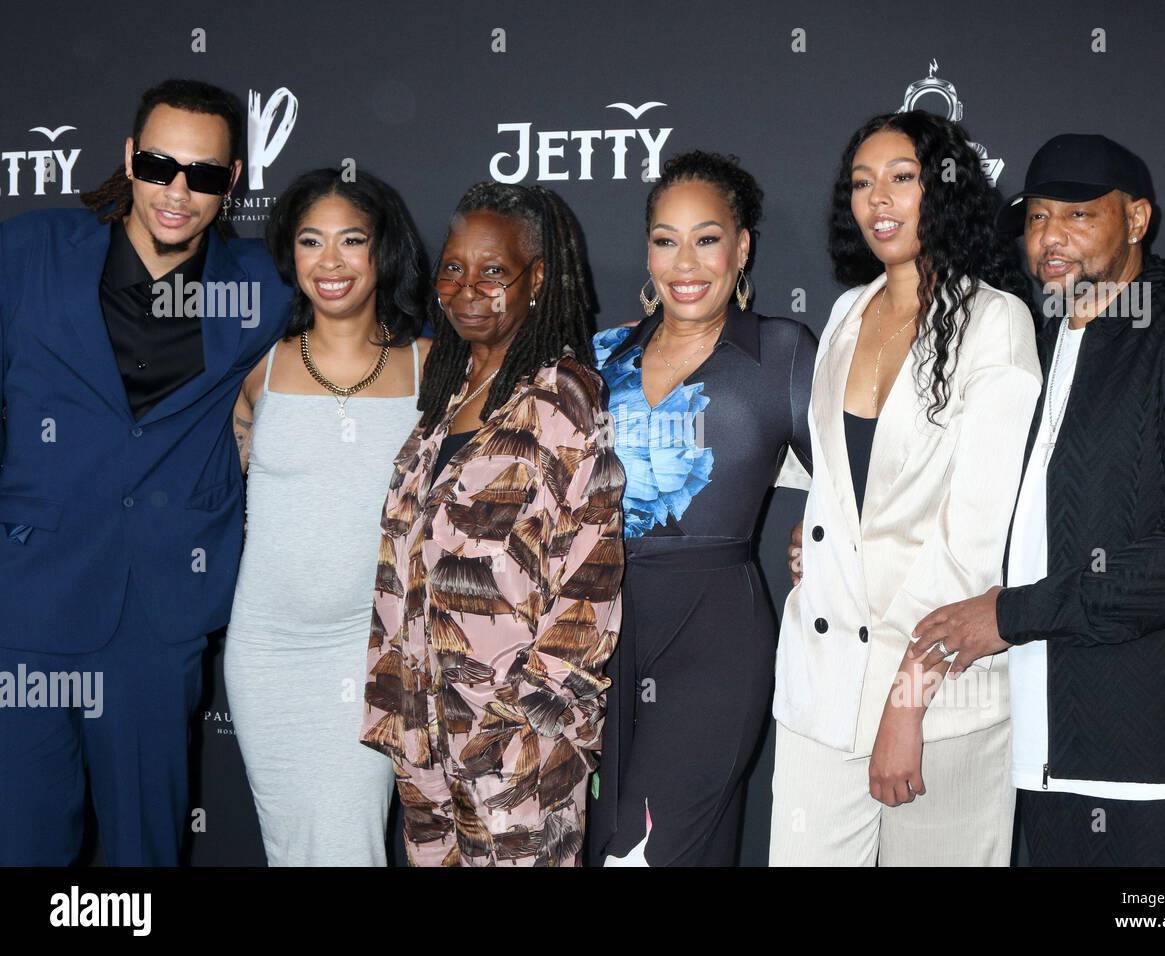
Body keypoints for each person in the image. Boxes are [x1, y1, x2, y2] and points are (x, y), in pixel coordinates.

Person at [909, 133, 1165, 866]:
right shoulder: (1036, 348)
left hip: (1163, 750)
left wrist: (1013, 614)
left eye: (1080, 216)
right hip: (1048, 745)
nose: (1050, 238)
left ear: (1138, 220)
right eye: (1038, 217)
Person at [0, 79, 292, 865]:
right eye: (162, 165)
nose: (177, 192)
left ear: (230, 184)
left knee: (145, 853)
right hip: (28, 603)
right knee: (22, 844)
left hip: (159, 616)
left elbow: (365, 344)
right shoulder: (29, 254)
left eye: (202, 175)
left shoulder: (262, 288)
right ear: (130, 159)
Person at [769, 111, 1041, 866]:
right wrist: (818, 538)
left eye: (901, 178)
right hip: (820, 690)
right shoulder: (846, 312)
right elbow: (839, 478)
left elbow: (973, 541)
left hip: (937, 693)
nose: (878, 200)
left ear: (944, 191)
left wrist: (905, 702)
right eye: (862, 183)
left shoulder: (997, 324)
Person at [358, 181, 622, 867]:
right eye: (453, 267)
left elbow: (589, 582)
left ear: (537, 280)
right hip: (421, 728)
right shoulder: (444, 393)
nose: (466, 288)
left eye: (493, 272)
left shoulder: (563, 397)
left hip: (513, 745)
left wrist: (526, 728)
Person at [584, 151, 816, 867]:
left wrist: (821, 532)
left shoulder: (780, 353)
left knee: (645, 853)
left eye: (707, 238)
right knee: (608, 847)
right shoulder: (603, 356)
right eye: (665, 239)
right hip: (597, 640)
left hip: (715, 640)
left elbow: (855, 476)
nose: (685, 262)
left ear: (742, 247)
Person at [223, 169, 431, 865]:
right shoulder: (259, 367)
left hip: (366, 650)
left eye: (352, 241)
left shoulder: (429, 368)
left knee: (347, 842)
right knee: (292, 847)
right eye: (312, 242)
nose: (331, 262)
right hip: (265, 651)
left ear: (383, 252)